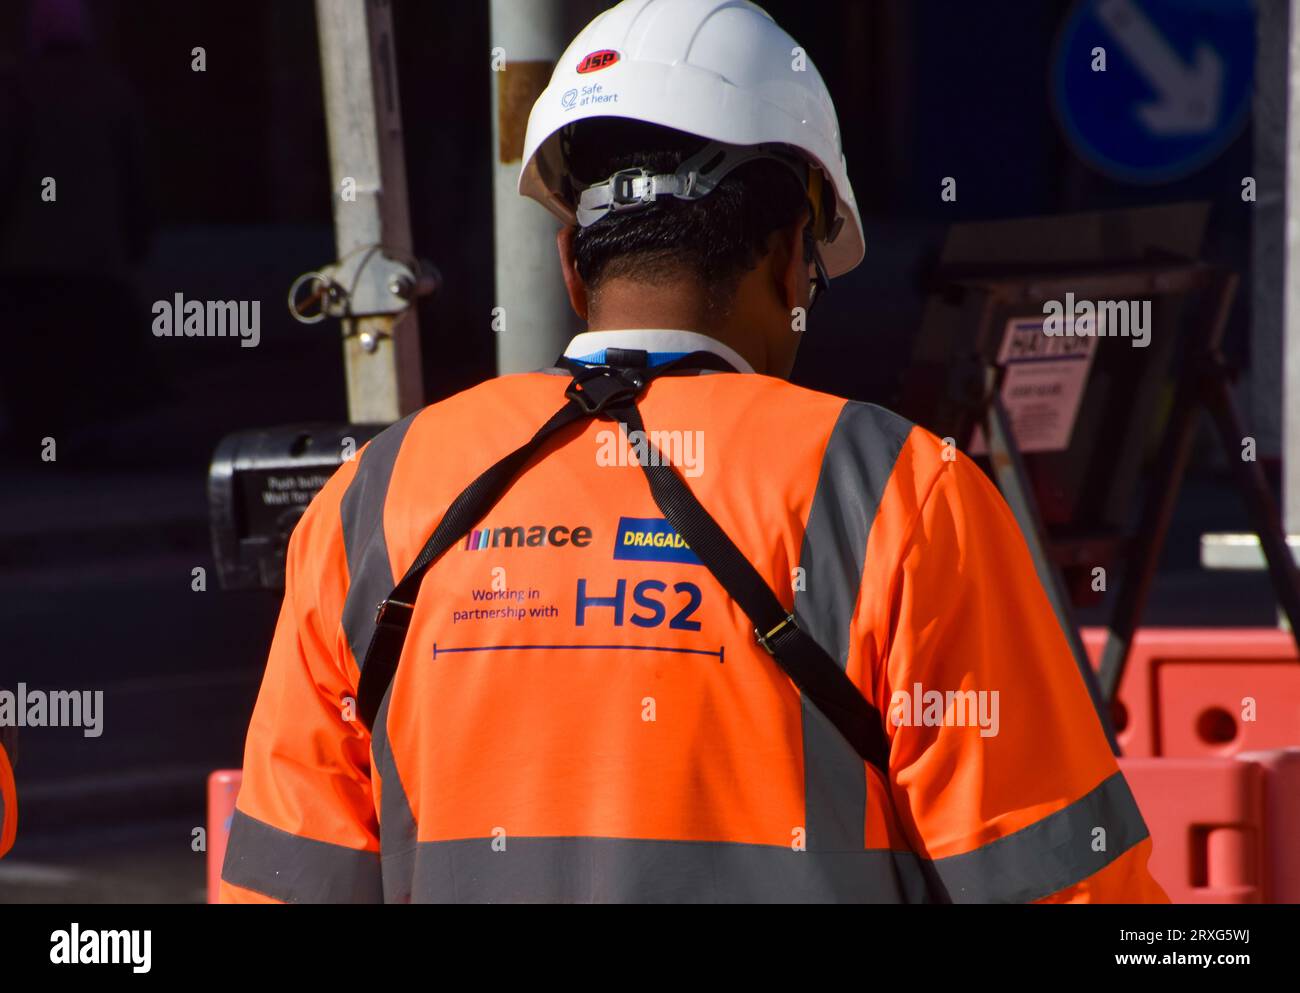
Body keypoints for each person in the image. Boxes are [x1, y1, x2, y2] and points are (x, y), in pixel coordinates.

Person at [221, 0, 1167, 903]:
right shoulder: (899, 497)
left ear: (570, 262)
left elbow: (279, 882)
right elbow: (1067, 884)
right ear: (792, 256)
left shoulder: (372, 498)